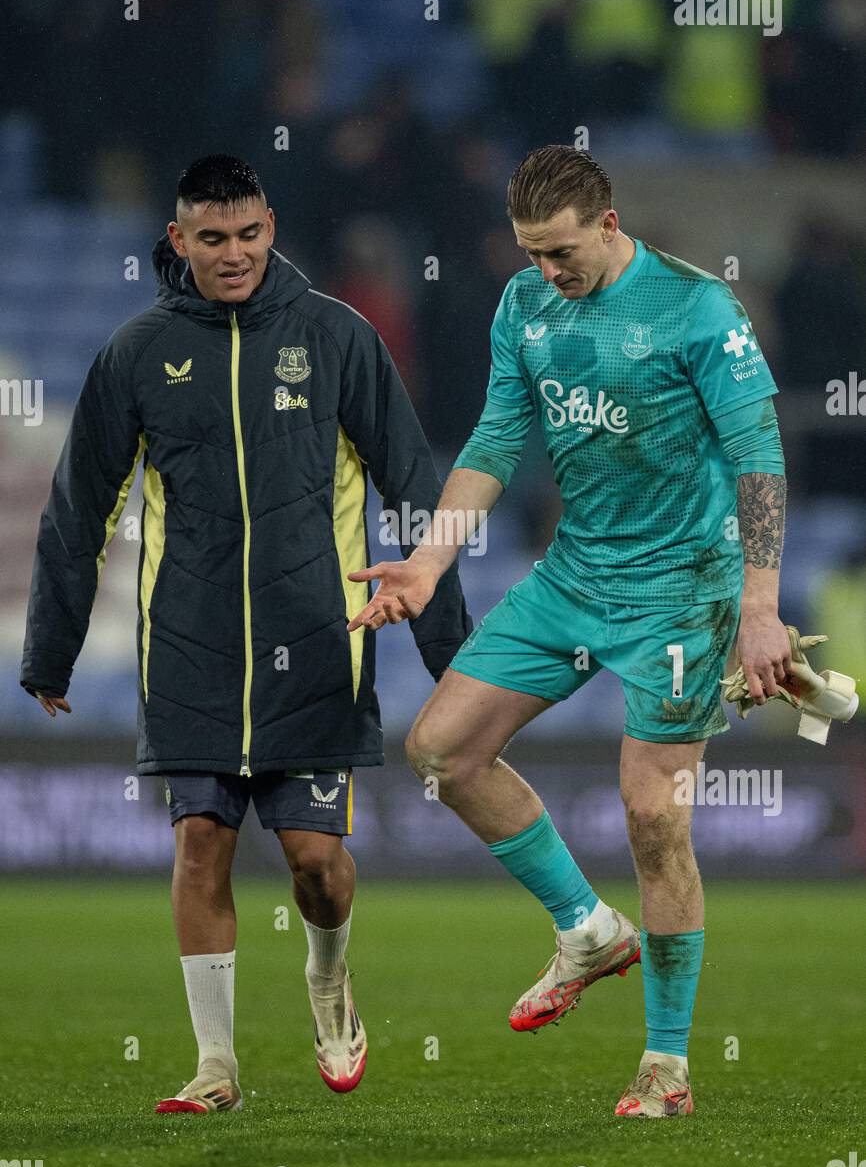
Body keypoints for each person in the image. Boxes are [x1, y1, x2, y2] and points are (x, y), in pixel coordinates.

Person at [21, 154, 471, 1113]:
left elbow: (414, 489)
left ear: (271, 225)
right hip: (189, 644)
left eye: (249, 234)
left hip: (318, 642)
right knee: (200, 845)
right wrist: (51, 649)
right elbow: (76, 509)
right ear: (179, 241)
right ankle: (216, 1065)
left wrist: (449, 649)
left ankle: (328, 975)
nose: (234, 254)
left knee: (315, 863)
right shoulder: (137, 353)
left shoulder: (337, 338)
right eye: (212, 238)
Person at [346, 144, 790, 1118]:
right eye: (529, 253)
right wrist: (426, 560)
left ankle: (665, 1065)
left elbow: (757, 460)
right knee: (438, 748)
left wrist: (756, 612)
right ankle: (585, 927)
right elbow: (496, 440)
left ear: (607, 224)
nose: (546, 272)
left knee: (651, 815)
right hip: (573, 575)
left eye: (558, 252)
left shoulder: (696, 312)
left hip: (682, 592)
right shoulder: (525, 307)